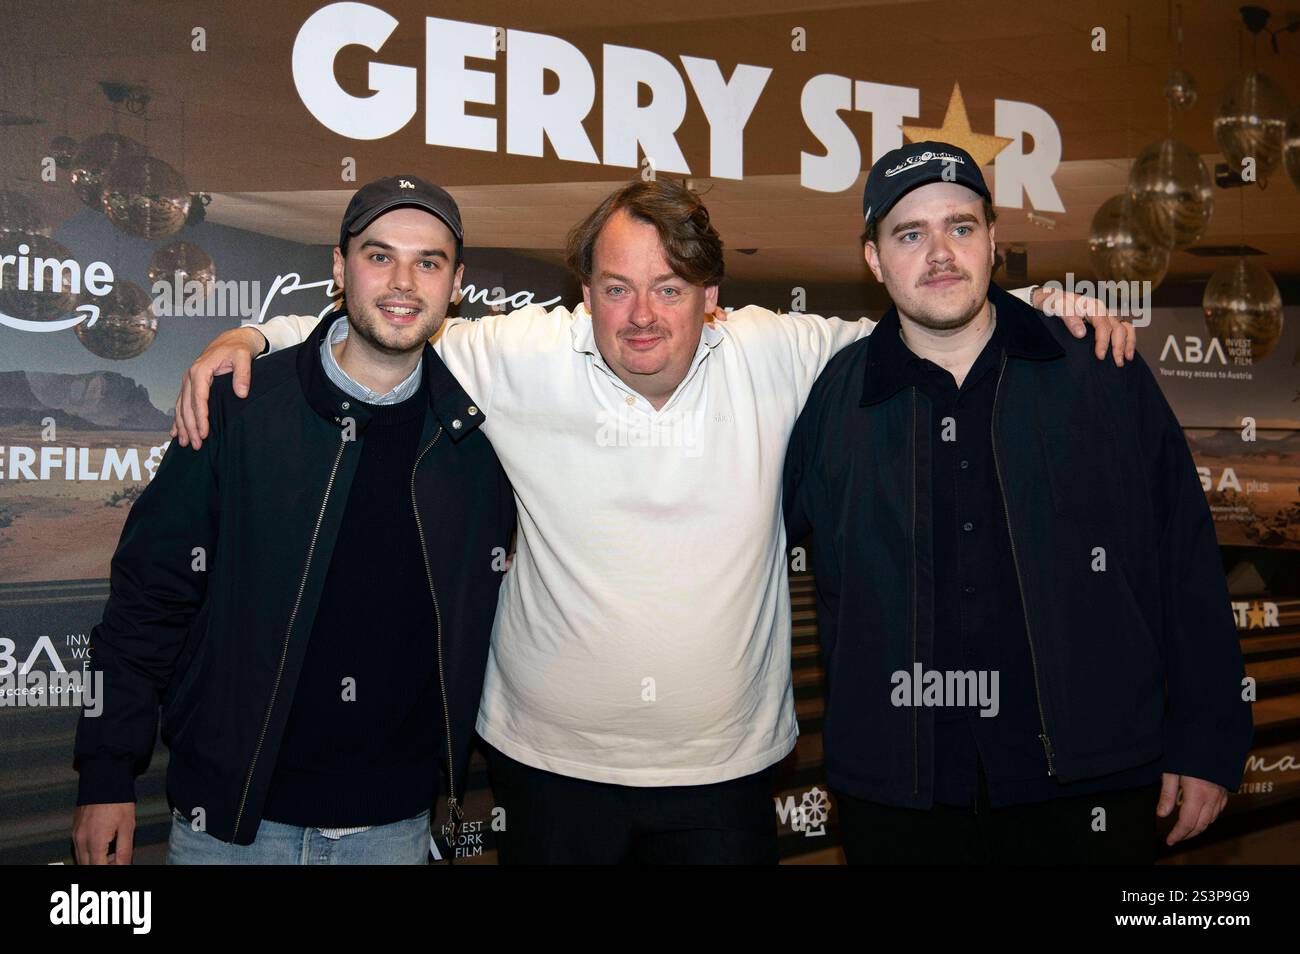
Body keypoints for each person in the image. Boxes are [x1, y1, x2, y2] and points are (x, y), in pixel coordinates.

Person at [171, 177, 1132, 864]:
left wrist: (1045, 306)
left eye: (670, 288)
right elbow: (388, 321)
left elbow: (940, 314)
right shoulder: (524, 353)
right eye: (617, 288)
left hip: (727, 778)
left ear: (712, 300)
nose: (641, 315)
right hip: (547, 773)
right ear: (581, 295)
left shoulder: (777, 352)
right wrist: (251, 335)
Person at [783, 142, 1253, 864]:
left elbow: (1183, 559)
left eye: (961, 228)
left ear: (993, 242)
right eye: (910, 234)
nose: (940, 253)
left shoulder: (1102, 372)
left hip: (1089, 786)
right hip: (900, 799)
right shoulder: (834, 402)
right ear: (874, 258)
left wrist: (1208, 739)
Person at [71, 176, 515, 864]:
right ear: (340, 269)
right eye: (378, 256)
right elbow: (145, 600)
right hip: (233, 826)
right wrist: (105, 776)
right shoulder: (241, 408)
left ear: (455, 282)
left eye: (428, 262)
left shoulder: (476, 441)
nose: (403, 281)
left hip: (393, 826)